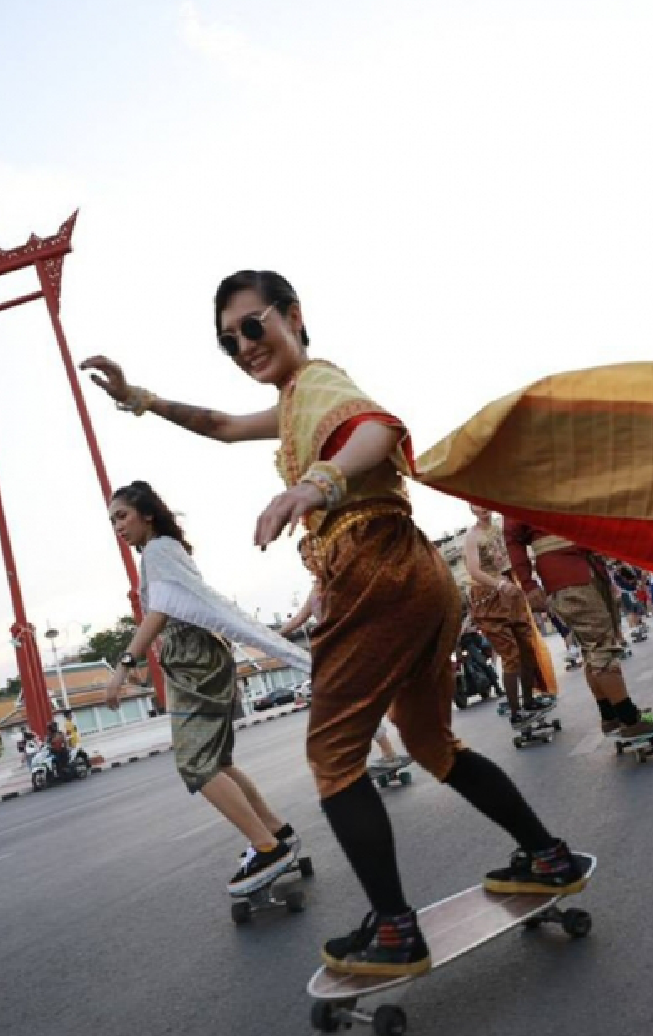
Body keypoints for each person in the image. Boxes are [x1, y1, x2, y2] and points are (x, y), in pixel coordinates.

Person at [82, 269, 589, 978]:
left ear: (292, 315)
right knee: (431, 743)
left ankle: (393, 929)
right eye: (229, 341)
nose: (244, 346)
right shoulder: (293, 403)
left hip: (373, 567)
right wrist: (142, 400)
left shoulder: (318, 383)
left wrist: (315, 484)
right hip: (417, 576)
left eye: (254, 326)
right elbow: (225, 426)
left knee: (333, 757)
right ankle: (546, 854)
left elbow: (377, 428)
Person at [104, 479, 311, 898]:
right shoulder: (164, 551)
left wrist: (124, 665)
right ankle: (276, 831)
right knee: (218, 760)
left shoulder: (159, 550)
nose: (118, 528)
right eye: (112, 521)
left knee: (196, 764)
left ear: (147, 513)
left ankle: (267, 848)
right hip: (199, 657)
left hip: (195, 661)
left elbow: (161, 611)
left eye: (122, 516)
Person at [504, 520, 653, 740]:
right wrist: (528, 584)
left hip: (586, 567)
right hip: (566, 574)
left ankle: (611, 715)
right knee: (600, 645)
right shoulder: (517, 487)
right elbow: (512, 536)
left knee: (591, 647)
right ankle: (630, 720)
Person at [460, 503, 550, 728]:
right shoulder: (472, 536)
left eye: (483, 505)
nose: (482, 509)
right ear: (471, 510)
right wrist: (499, 584)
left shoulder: (501, 527)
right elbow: (474, 570)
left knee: (527, 649)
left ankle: (529, 701)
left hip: (511, 589)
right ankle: (515, 712)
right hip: (490, 597)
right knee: (511, 656)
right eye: (476, 506)